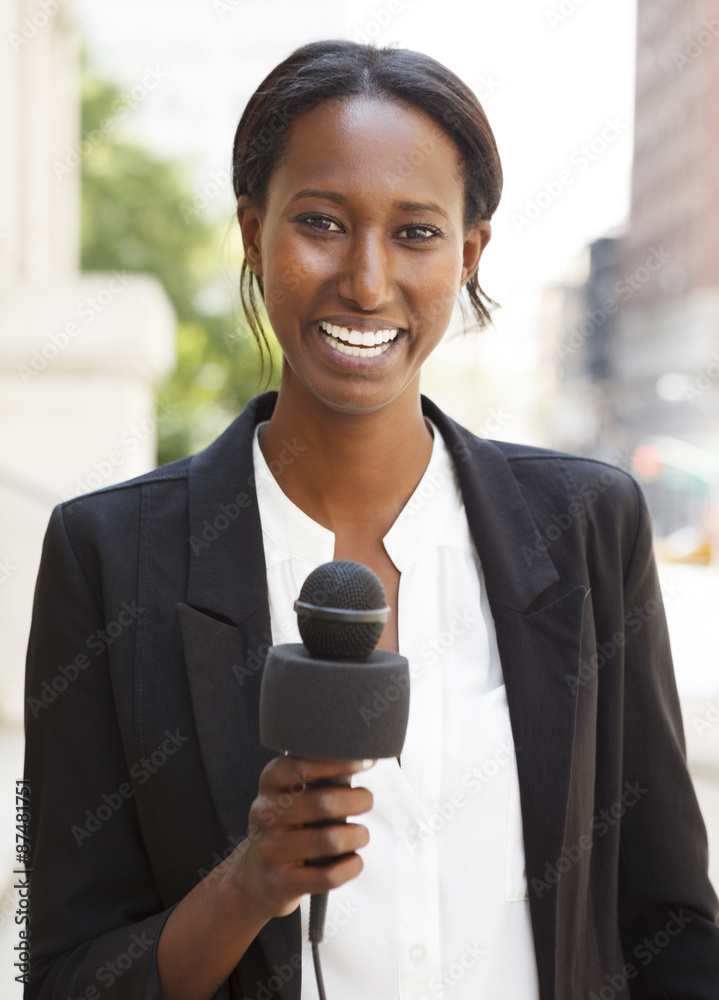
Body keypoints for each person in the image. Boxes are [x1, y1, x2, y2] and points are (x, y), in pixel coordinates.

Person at [23, 39, 719, 1000]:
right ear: (252, 231)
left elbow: (671, 926)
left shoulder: (590, 528)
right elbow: (59, 974)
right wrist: (243, 887)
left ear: (469, 253)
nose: (364, 278)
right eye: (320, 222)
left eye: (416, 233)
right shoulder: (107, 557)